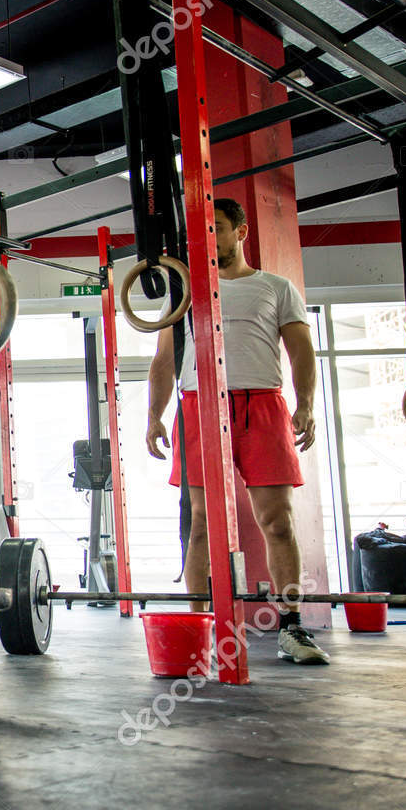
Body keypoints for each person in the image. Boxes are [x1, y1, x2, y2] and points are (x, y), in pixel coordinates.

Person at [145, 197, 326, 664]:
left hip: (261, 406)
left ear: (241, 232)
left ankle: (291, 628)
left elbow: (302, 352)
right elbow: (164, 361)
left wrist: (305, 405)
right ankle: (197, 629)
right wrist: (154, 416)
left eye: (219, 228)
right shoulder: (183, 292)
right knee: (202, 522)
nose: (209, 239)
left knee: (278, 521)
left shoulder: (276, 287)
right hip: (199, 407)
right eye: (203, 231)